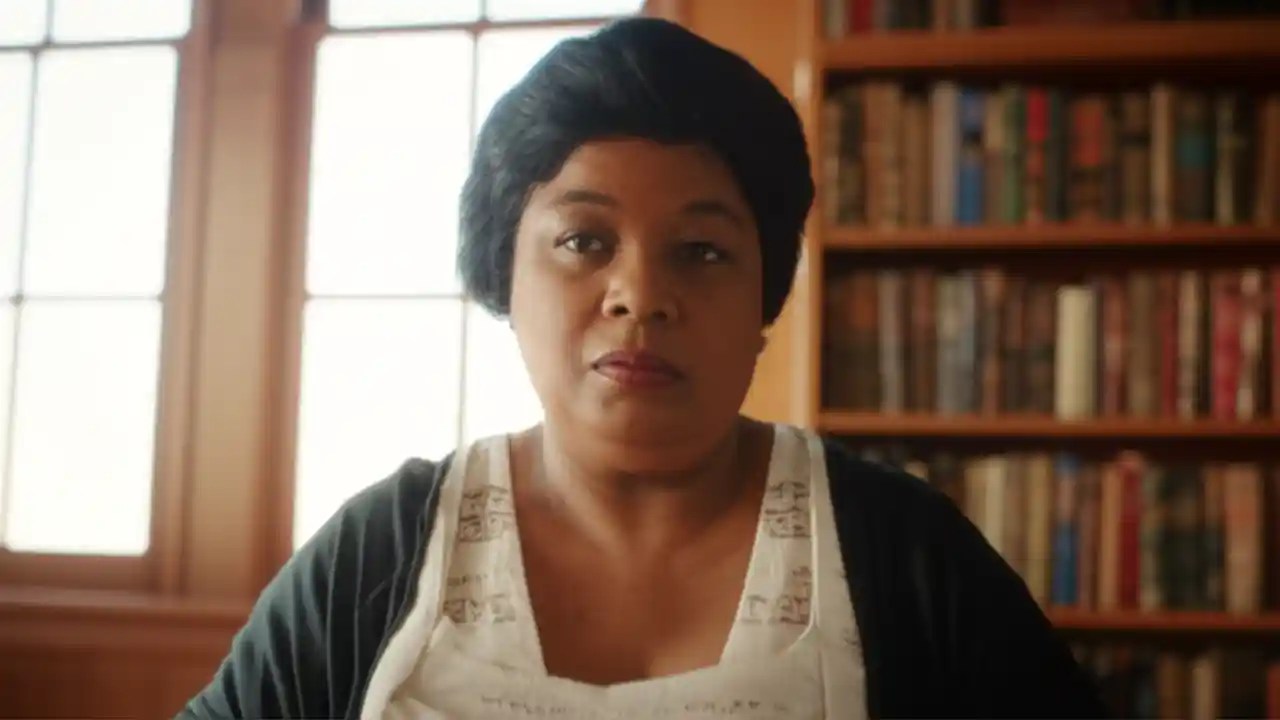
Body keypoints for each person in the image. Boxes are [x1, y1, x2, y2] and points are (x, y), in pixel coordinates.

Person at [181, 17, 1107, 719]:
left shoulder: (904, 555)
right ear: (505, 270)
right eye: (584, 240)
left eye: (701, 251)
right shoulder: (385, 551)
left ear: (765, 298)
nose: (639, 295)